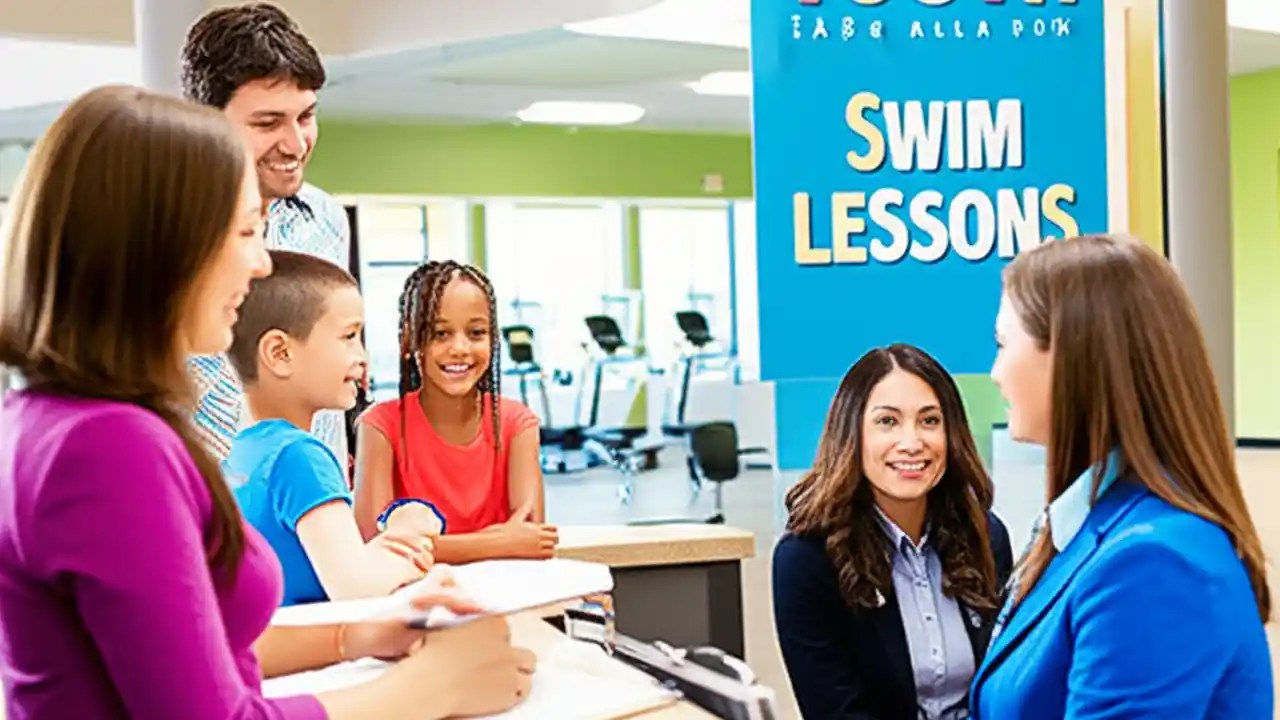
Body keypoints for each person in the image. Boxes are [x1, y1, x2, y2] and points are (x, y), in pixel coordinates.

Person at [0, 84, 534, 719]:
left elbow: (177, 652)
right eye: (247, 231)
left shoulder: (50, 421)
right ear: (164, 249)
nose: (259, 265)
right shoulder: (108, 447)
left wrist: (355, 637)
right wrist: (433, 687)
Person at [971, 233, 1273, 718]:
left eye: (1003, 344)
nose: (995, 372)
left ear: (1071, 356)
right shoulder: (1096, 530)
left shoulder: (1151, 563)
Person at [772, 343, 1013, 720]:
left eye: (929, 421)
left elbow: (1005, 685)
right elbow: (835, 712)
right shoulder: (806, 559)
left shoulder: (985, 536)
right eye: (887, 421)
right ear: (852, 433)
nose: (912, 443)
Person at [180, 1, 352, 468]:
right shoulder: (164, 238)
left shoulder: (325, 221)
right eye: (268, 123)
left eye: (306, 117)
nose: (295, 144)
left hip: (318, 495)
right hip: (209, 499)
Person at [224, 249, 444, 606]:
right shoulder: (299, 456)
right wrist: (411, 543)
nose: (363, 357)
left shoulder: (242, 453)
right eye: (348, 336)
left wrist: (389, 538)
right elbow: (355, 586)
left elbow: (333, 563)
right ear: (280, 353)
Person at [353, 260, 559, 562]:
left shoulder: (517, 424)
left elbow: (532, 539)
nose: (460, 348)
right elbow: (375, 546)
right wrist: (499, 542)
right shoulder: (380, 426)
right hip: (417, 592)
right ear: (410, 340)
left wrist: (430, 546)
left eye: (476, 333)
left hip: (502, 588)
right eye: (440, 333)